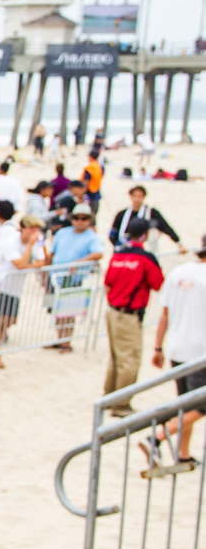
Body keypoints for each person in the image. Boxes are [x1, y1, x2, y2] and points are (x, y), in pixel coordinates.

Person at [145, 235, 206, 467]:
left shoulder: (178, 272)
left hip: (178, 347)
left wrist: (158, 346)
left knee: (186, 405)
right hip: (200, 352)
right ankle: (157, 438)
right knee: (200, 406)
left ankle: (183, 455)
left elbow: (165, 314)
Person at [103, 217, 165, 414]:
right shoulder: (146, 259)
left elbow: (108, 283)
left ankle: (109, 397)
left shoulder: (118, 255)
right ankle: (121, 404)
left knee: (116, 357)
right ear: (145, 235)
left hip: (113, 311)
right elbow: (158, 283)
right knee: (130, 360)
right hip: (129, 314)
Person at [0, 205, 45, 369]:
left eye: (36, 228)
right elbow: (20, 264)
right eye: (32, 228)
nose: (35, 232)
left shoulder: (35, 241)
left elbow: (41, 261)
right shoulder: (11, 241)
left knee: (10, 320)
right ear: (22, 228)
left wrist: (32, 255)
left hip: (14, 288)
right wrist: (30, 246)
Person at [45, 202, 107, 351]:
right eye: (77, 218)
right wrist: (46, 272)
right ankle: (60, 338)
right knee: (55, 309)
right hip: (55, 277)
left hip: (73, 279)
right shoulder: (62, 233)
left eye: (84, 218)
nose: (80, 221)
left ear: (89, 220)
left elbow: (99, 253)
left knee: (68, 310)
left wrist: (78, 262)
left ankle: (66, 341)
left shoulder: (92, 237)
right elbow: (52, 253)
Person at [109, 185, 180, 249]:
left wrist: (178, 242)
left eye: (140, 196)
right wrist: (120, 246)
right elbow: (113, 234)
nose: (137, 199)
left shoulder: (151, 212)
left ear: (144, 197)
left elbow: (165, 227)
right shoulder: (121, 214)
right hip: (123, 248)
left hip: (144, 249)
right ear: (130, 197)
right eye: (134, 196)